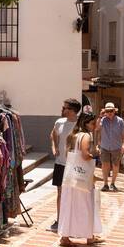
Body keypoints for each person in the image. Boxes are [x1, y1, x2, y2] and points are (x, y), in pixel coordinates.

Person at [58, 110, 103, 247]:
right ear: (86, 123)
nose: (95, 125)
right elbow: (85, 155)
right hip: (82, 177)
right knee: (86, 205)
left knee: (69, 205)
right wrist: (95, 154)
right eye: (93, 123)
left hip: (72, 176)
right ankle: (88, 237)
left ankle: (66, 237)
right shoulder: (86, 136)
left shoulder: (73, 135)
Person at [48, 98, 81, 232]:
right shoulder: (59, 122)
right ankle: (59, 220)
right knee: (60, 193)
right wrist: (54, 147)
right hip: (60, 163)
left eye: (65, 108)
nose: (62, 110)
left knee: (75, 194)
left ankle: (73, 221)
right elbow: (53, 134)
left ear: (73, 111)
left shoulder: (80, 125)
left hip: (75, 165)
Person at [97, 102, 124, 191]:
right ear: (105, 111)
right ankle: (105, 184)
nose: (109, 112)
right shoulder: (103, 120)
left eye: (111, 111)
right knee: (105, 165)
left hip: (116, 146)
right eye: (107, 111)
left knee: (115, 165)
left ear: (114, 111)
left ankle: (113, 183)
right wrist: (100, 116)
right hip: (105, 146)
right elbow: (97, 128)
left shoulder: (120, 121)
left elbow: (123, 134)